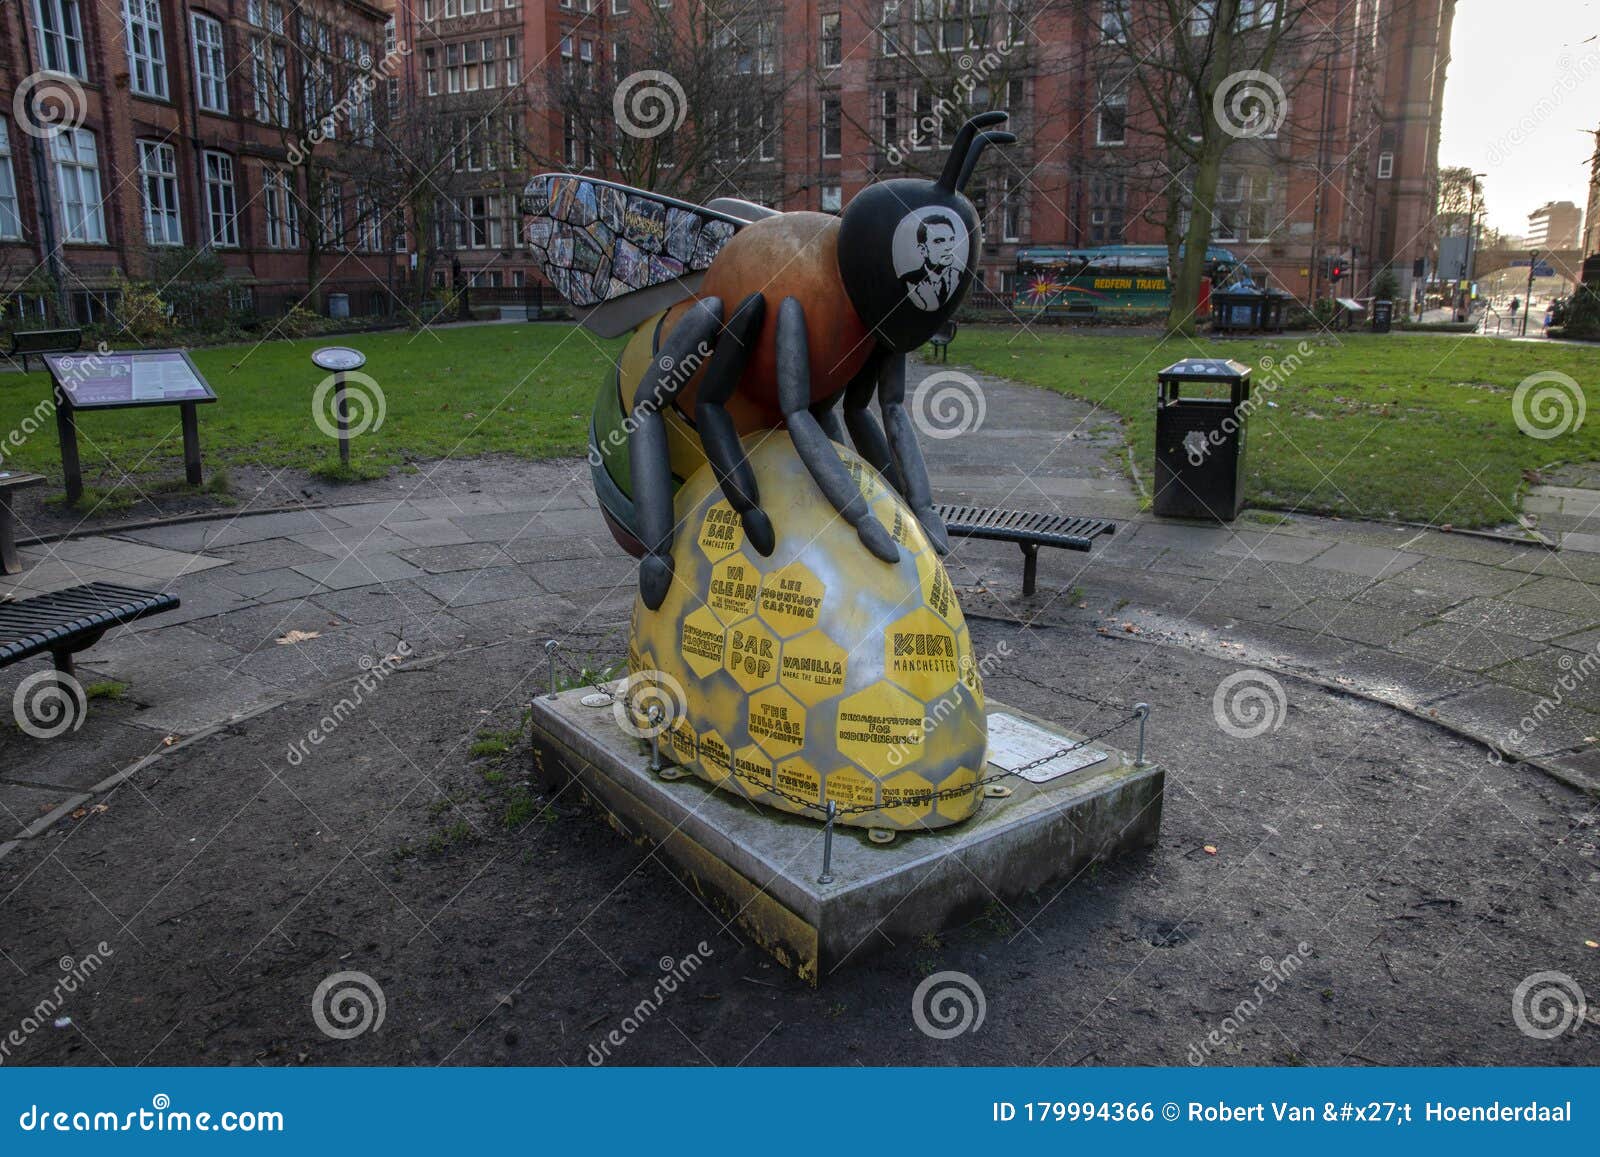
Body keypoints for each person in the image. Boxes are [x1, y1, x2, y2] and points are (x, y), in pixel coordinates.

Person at [900, 214, 963, 310]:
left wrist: (932, 303)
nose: (949, 247)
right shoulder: (909, 281)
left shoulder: (959, 276)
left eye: (951, 239)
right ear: (923, 250)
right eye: (939, 241)